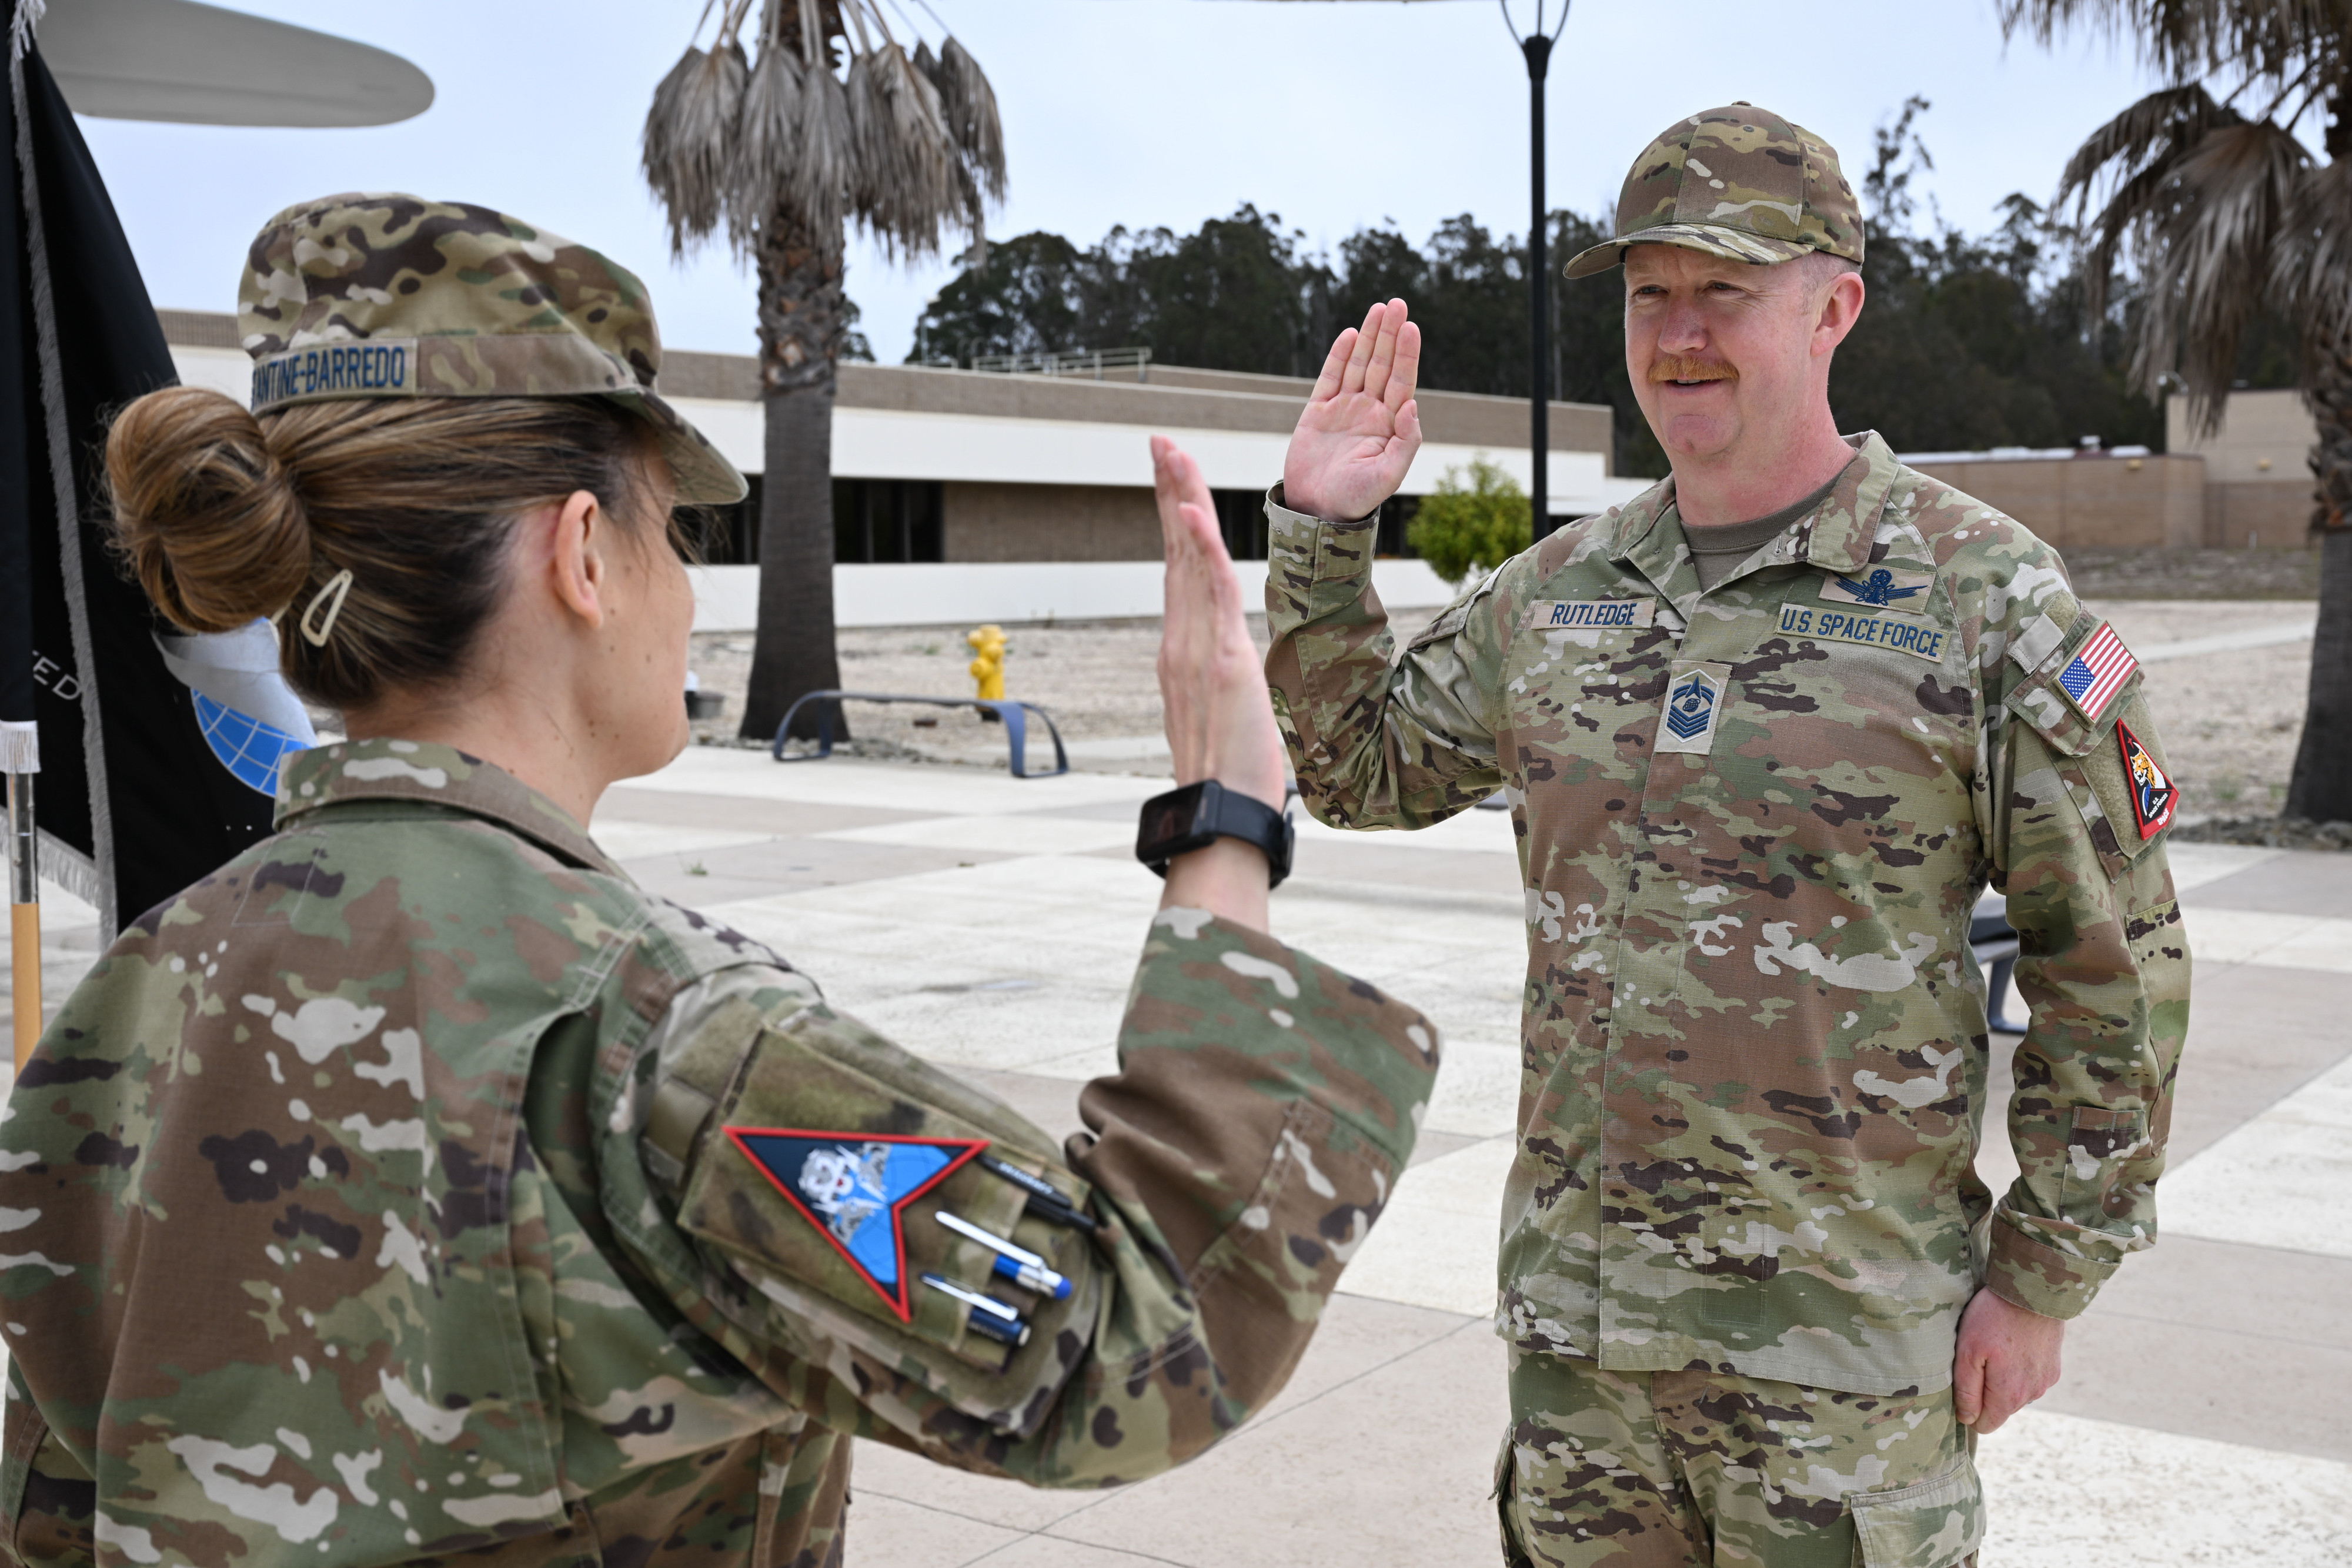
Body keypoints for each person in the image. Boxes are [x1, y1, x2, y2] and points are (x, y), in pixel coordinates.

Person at [0, 194, 1440, 1566]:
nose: (685, 582)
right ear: (582, 552)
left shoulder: (122, 1009)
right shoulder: (652, 1037)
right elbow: (1135, 1339)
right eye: (671, 529)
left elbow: (53, 1509)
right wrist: (1224, 821)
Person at [1259, 105, 2190, 1567]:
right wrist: (1321, 529)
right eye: (1648, 294)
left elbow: (2114, 964)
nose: (1677, 333)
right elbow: (1357, 767)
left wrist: (2043, 1275)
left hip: (1849, 1367)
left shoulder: (1981, 595)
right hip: (1583, 1349)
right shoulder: (1556, 592)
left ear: (1832, 307)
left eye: (1723, 289)